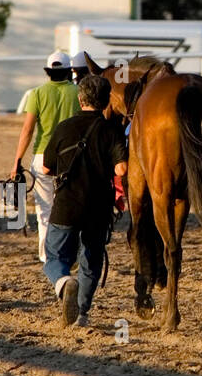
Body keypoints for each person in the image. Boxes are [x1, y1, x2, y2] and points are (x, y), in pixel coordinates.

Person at [40, 74, 127, 328]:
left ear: (80, 99)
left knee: (55, 256)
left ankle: (63, 282)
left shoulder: (64, 127)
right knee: (92, 259)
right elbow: (121, 170)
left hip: (67, 203)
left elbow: (46, 168)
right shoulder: (112, 130)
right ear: (106, 101)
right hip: (99, 206)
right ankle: (82, 314)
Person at [10, 51, 79, 264]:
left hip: (42, 157)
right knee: (69, 208)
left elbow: (27, 131)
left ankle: (47, 256)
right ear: (69, 71)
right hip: (72, 157)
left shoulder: (37, 94)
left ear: (48, 72)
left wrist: (17, 162)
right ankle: (69, 253)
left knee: (44, 211)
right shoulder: (78, 92)